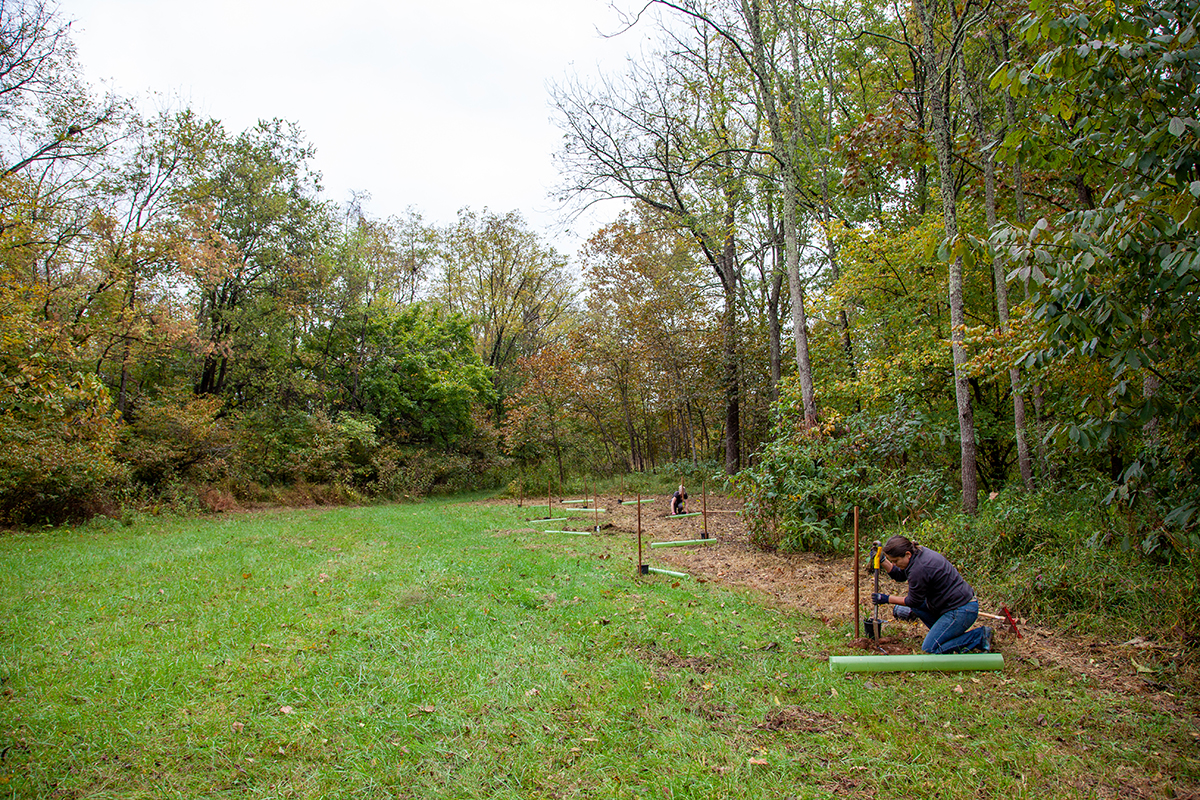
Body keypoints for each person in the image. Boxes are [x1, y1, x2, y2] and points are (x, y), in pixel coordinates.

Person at [872, 535, 992, 654]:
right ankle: (944, 634)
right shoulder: (917, 554)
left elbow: (913, 601)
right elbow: (900, 575)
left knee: (930, 649)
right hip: (950, 606)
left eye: (896, 561)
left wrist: (886, 599)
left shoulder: (919, 568)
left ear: (907, 554)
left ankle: (979, 636)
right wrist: (882, 560)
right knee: (919, 609)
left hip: (961, 610)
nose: (895, 564)